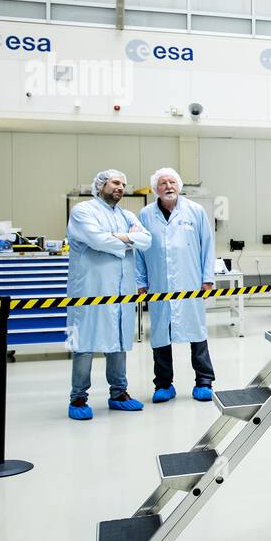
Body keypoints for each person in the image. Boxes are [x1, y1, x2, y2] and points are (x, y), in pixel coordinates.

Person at [66, 170, 152, 420]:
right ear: (101, 184)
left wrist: (117, 238)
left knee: (118, 338)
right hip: (90, 290)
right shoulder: (83, 211)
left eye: (124, 184)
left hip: (121, 290)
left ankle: (119, 393)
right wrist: (128, 240)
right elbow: (97, 240)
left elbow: (146, 239)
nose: (120, 187)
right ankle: (78, 397)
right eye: (115, 182)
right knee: (84, 342)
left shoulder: (127, 214)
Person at [135, 168, 217, 403]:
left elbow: (207, 246)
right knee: (160, 333)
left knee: (196, 330)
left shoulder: (195, 211)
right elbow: (139, 253)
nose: (168, 186)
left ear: (179, 186)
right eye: (163, 183)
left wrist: (207, 278)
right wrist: (141, 281)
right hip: (158, 284)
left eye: (172, 182)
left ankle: (204, 381)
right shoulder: (145, 215)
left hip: (190, 281)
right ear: (155, 189)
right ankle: (163, 384)